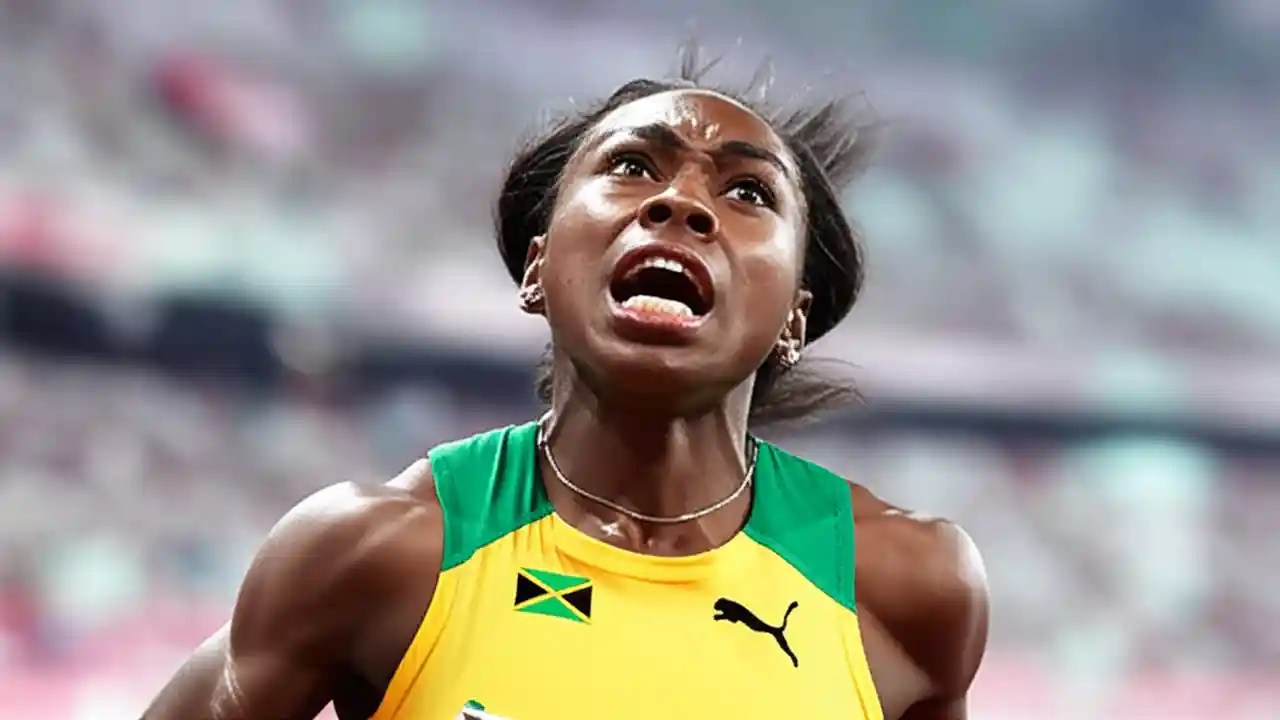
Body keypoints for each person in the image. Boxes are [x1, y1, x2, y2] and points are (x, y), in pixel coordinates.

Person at [143, 50, 989, 720]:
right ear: (537, 269)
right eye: (631, 166)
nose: (681, 205)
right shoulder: (372, 551)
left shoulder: (910, 586)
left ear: (795, 318)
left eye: (746, 191)